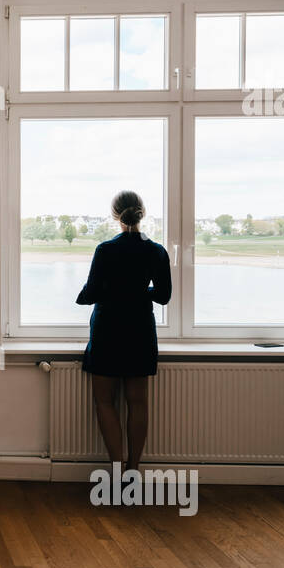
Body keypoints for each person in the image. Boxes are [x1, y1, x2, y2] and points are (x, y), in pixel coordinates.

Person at [75, 191, 172, 471]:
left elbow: (89, 293)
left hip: (108, 331)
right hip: (139, 331)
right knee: (138, 402)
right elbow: (163, 296)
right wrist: (139, 290)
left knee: (105, 402)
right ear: (142, 212)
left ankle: (116, 470)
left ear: (115, 215)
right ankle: (133, 470)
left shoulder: (106, 249)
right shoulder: (155, 250)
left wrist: (98, 292)